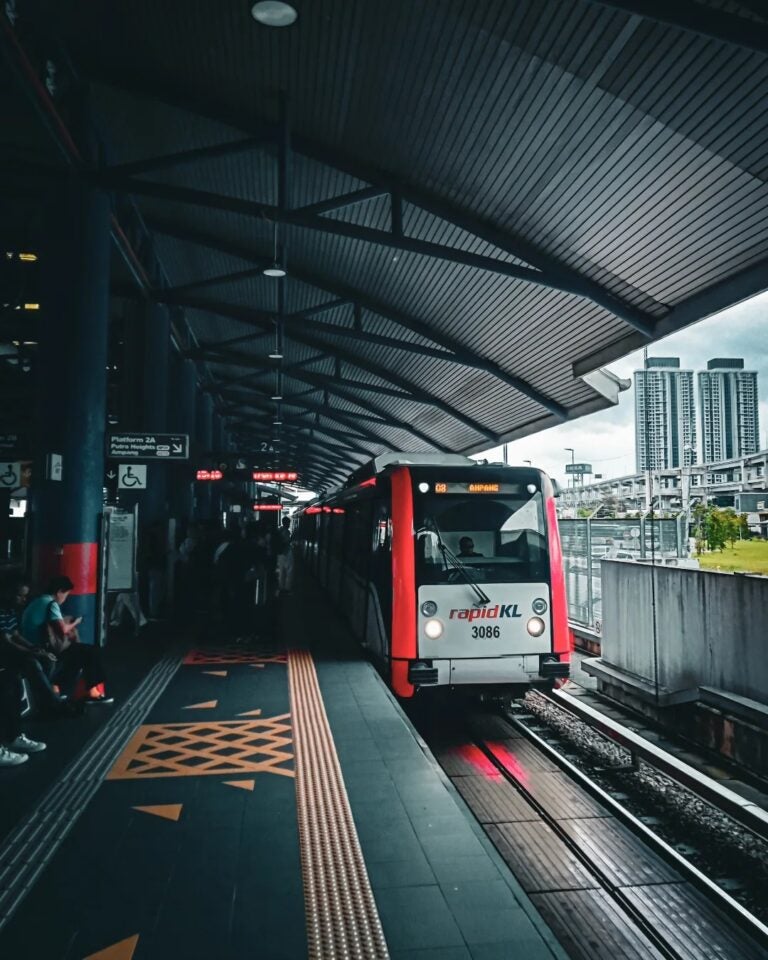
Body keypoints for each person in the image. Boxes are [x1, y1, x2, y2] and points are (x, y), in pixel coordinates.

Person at [22, 576, 113, 705]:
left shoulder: (38, 601)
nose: (65, 599)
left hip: (33, 643)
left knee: (77, 656)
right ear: (59, 591)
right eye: (66, 594)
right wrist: (76, 622)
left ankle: (56, 687)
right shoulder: (51, 603)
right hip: (43, 647)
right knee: (91, 651)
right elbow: (63, 630)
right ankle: (92, 692)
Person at [0, 576, 71, 717]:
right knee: (33, 663)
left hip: (12, 650)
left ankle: (42, 700)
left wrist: (36, 648)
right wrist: (32, 652)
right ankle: (53, 703)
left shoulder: (11, 611)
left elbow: (16, 635)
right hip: (5, 652)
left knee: (48, 660)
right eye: (20, 596)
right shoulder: (1, 612)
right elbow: (7, 642)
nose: (24, 600)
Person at [276, 516, 294, 593]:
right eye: (289, 523)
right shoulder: (285, 531)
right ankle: (287, 588)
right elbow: (286, 542)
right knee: (289, 571)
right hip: (285, 553)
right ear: (286, 523)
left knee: (281, 571)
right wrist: (292, 538)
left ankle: (281, 587)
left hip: (280, 553)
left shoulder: (279, 531)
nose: (289, 524)